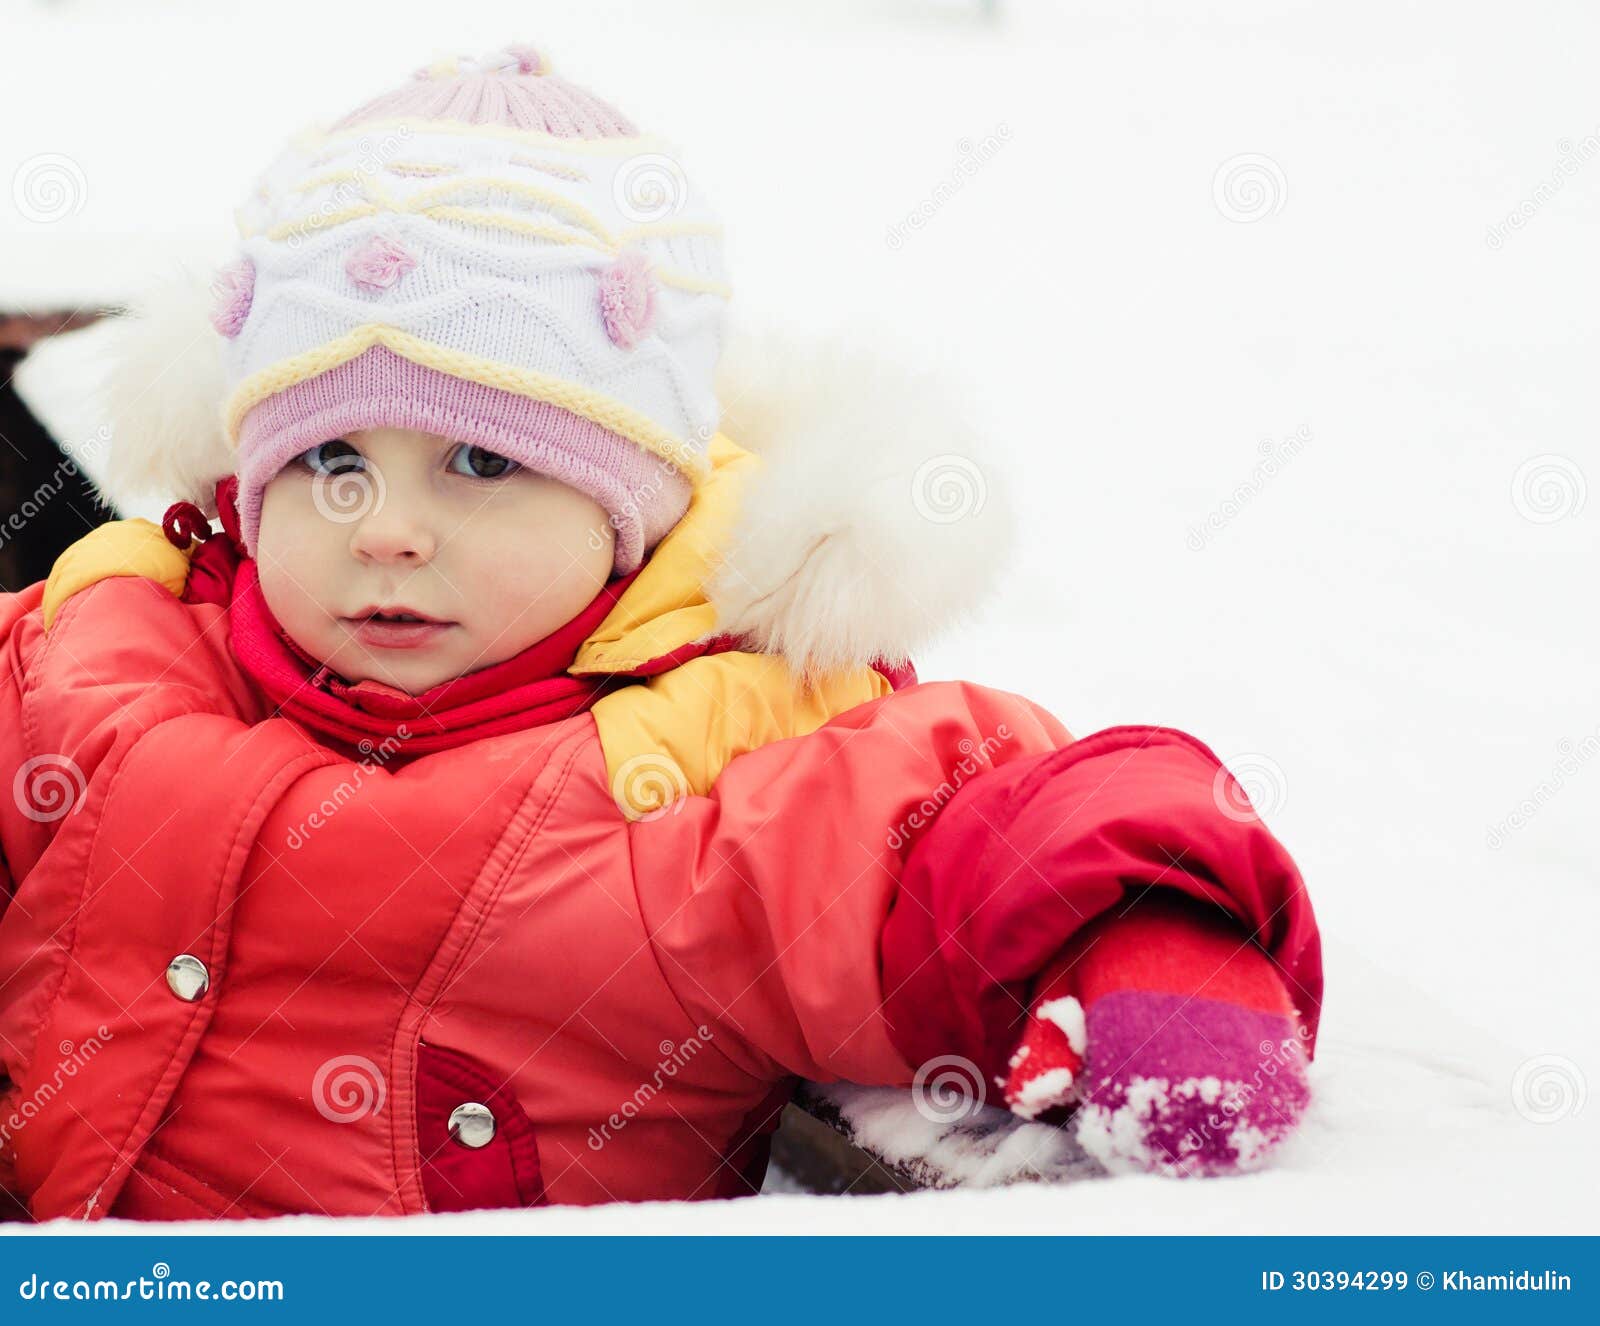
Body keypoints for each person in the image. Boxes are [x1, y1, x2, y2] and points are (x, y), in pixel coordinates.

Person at [0, 46, 1319, 1221]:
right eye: (328, 458)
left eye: (481, 461)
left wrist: (1156, 948)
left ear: (630, 512)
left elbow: (1001, 839)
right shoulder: (106, 666)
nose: (384, 528)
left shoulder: (705, 774)